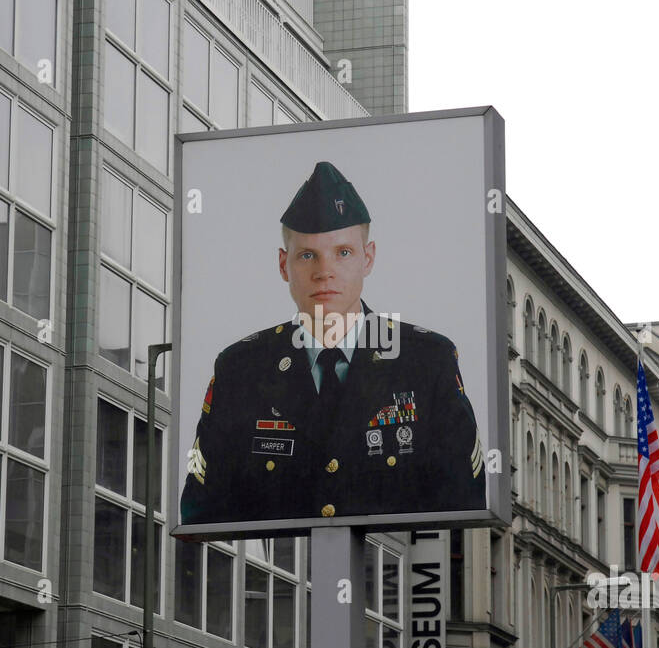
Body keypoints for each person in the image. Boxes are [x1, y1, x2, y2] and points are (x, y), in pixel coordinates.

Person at [180, 161, 485, 526]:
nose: (324, 271)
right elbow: (204, 514)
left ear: (367, 258)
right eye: (308, 255)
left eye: (343, 253)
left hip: (390, 579)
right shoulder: (241, 369)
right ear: (283, 265)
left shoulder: (426, 361)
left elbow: (463, 508)